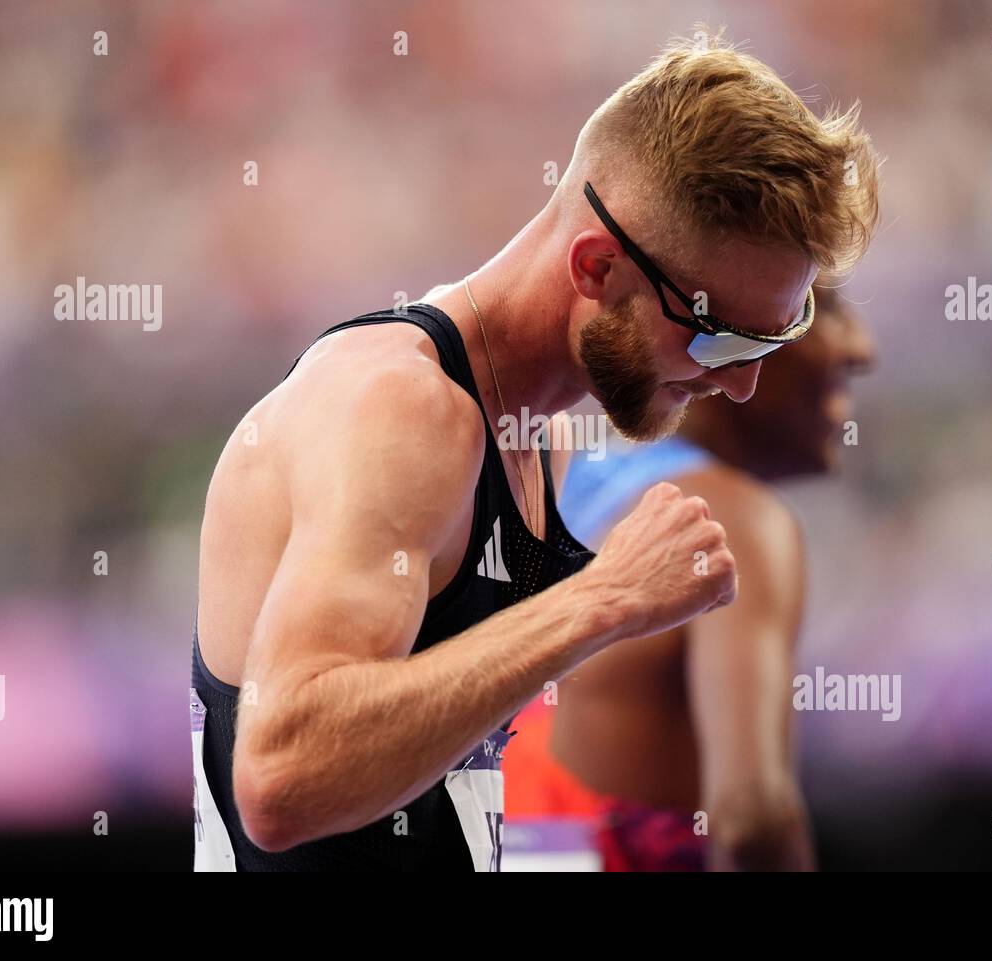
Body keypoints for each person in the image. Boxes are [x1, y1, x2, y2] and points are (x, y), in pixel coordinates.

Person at [189, 30, 879, 871]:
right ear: (596, 269)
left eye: (775, 341)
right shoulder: (402, 410)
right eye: (721, 341)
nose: (739, 386)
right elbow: (281, 777)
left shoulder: (539, 448)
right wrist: (602, 600)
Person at [540, 285, 875, 871]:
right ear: (743, 361)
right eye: (837, 373)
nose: (844, 409)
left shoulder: (573, 488)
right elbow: (749, 819)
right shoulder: (734, 518)